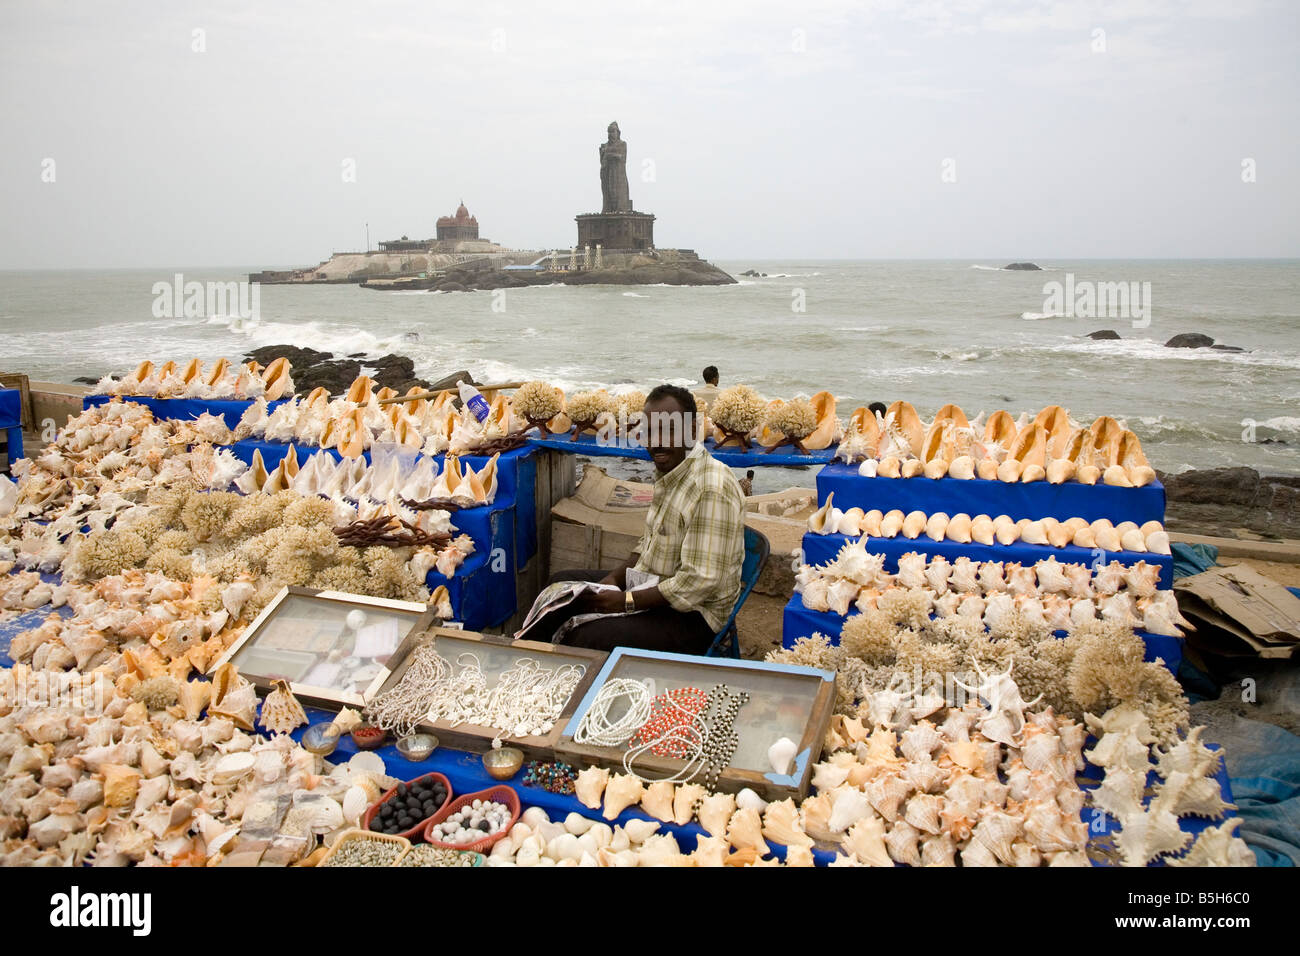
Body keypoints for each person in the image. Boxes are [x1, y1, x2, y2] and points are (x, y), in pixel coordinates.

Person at [530, 384, 745, 654]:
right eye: (650, 431)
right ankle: (533, 662)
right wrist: (614, 580)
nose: (656, 442)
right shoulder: (673, 472)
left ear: (692, 431)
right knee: (560, 587)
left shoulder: (712, 486)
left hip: (695, 616)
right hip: (655, 584)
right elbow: (648, 544)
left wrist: (625, 602)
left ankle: (569, 673)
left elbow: (698, 582)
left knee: (585, 637)